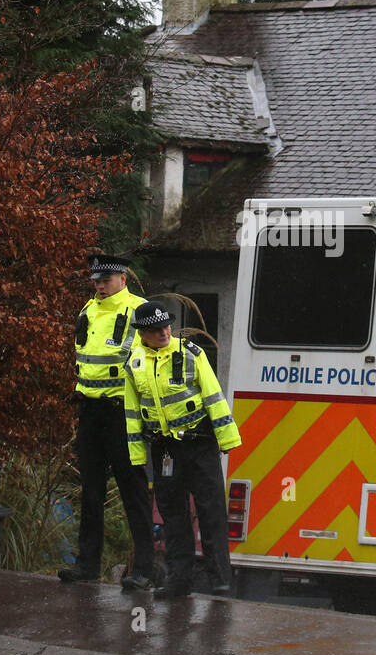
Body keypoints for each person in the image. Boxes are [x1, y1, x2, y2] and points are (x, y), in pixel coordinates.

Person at [122, 300, 241, 598]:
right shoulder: (134, 363)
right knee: (173, 516)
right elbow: (133, 414)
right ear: (142, 333)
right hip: (165, 450)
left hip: (199, 443)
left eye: (166, 326)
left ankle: (220, 580)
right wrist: (137, 455)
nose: (163, 332)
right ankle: (179, 581)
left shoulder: (191, 353)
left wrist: (226, 440)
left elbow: (214, 396)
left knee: (211, 510)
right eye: (156, 329)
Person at [60, 255, 155, 591]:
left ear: (123, 278)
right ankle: (87, 565)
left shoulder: (139, 310)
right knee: (91, 492)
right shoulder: (87, 311)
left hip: (122, 413)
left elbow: (154, 359)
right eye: (96, 281)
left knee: (133, 491)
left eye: (106, 280)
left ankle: (145, 568)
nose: (100, 286)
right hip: (90, 412)